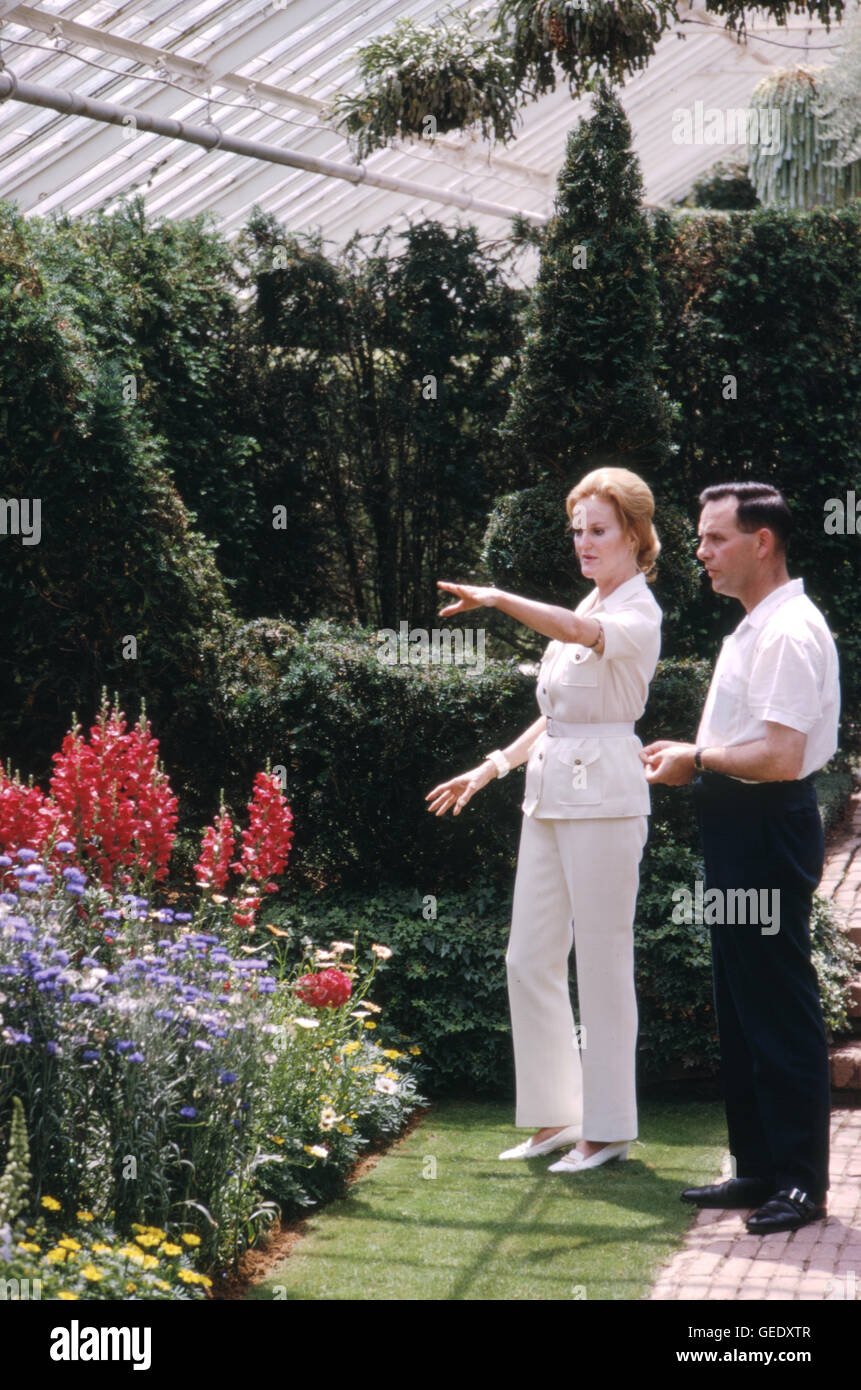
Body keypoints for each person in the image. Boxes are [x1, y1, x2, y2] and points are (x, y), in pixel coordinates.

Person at [426, 466, 662, 1172]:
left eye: (597, 530)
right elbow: (555, 715)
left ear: (633, 535)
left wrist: (498, 598)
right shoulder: (587, 602)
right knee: (527, 958)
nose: (583, 543)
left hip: (607, 798)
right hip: (547, 792)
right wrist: (490, 766)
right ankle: (555, 1116)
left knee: (601, 961)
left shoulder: (634, 612)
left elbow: (580, 631)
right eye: (577, 532)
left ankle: (608, 1127)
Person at [641, 482, 839, 1234]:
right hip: (737, 825)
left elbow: (783, 755)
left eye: (714, 538)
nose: (699, 552)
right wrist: (701, 758)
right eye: (698, 538)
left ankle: (798, 1183)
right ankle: (757, 1168)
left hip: (763, 825)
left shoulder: (788, 630)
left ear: (762, 542)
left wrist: (698, 755)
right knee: (740, 1003)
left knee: (776, 1005)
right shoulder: (758, 623)